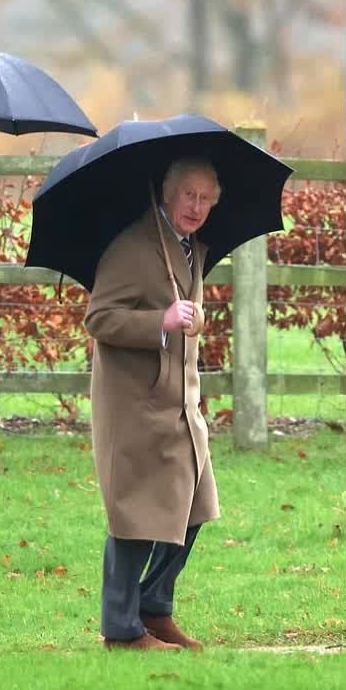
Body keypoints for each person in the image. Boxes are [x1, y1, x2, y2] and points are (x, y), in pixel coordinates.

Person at [84, 157, 221, 652]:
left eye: (206, 199)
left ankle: (154, 608)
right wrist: (158, 321)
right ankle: (120, 629)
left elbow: (181, 313)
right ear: (167, 194)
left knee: (196, 508)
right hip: (136, 404)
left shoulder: (188, 249)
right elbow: (99, 319)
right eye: (189, 195)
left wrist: (191, 318)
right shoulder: (132, 246)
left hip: (180, 404)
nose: (197, 207)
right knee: (135, 512)